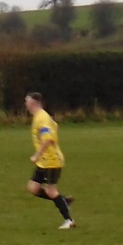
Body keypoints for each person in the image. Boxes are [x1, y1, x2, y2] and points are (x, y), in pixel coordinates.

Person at [24, 92, 75, 230]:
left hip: (52, 160)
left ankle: (69, 220)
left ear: (33, 103)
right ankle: (63, 200)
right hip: (44, 161)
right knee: (33, 188)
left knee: (51, 191)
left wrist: (36, 155)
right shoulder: (41, 117)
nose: (25, 104)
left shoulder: (42, 118)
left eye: (26, 101)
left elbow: (47, 139)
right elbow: (55, 126)